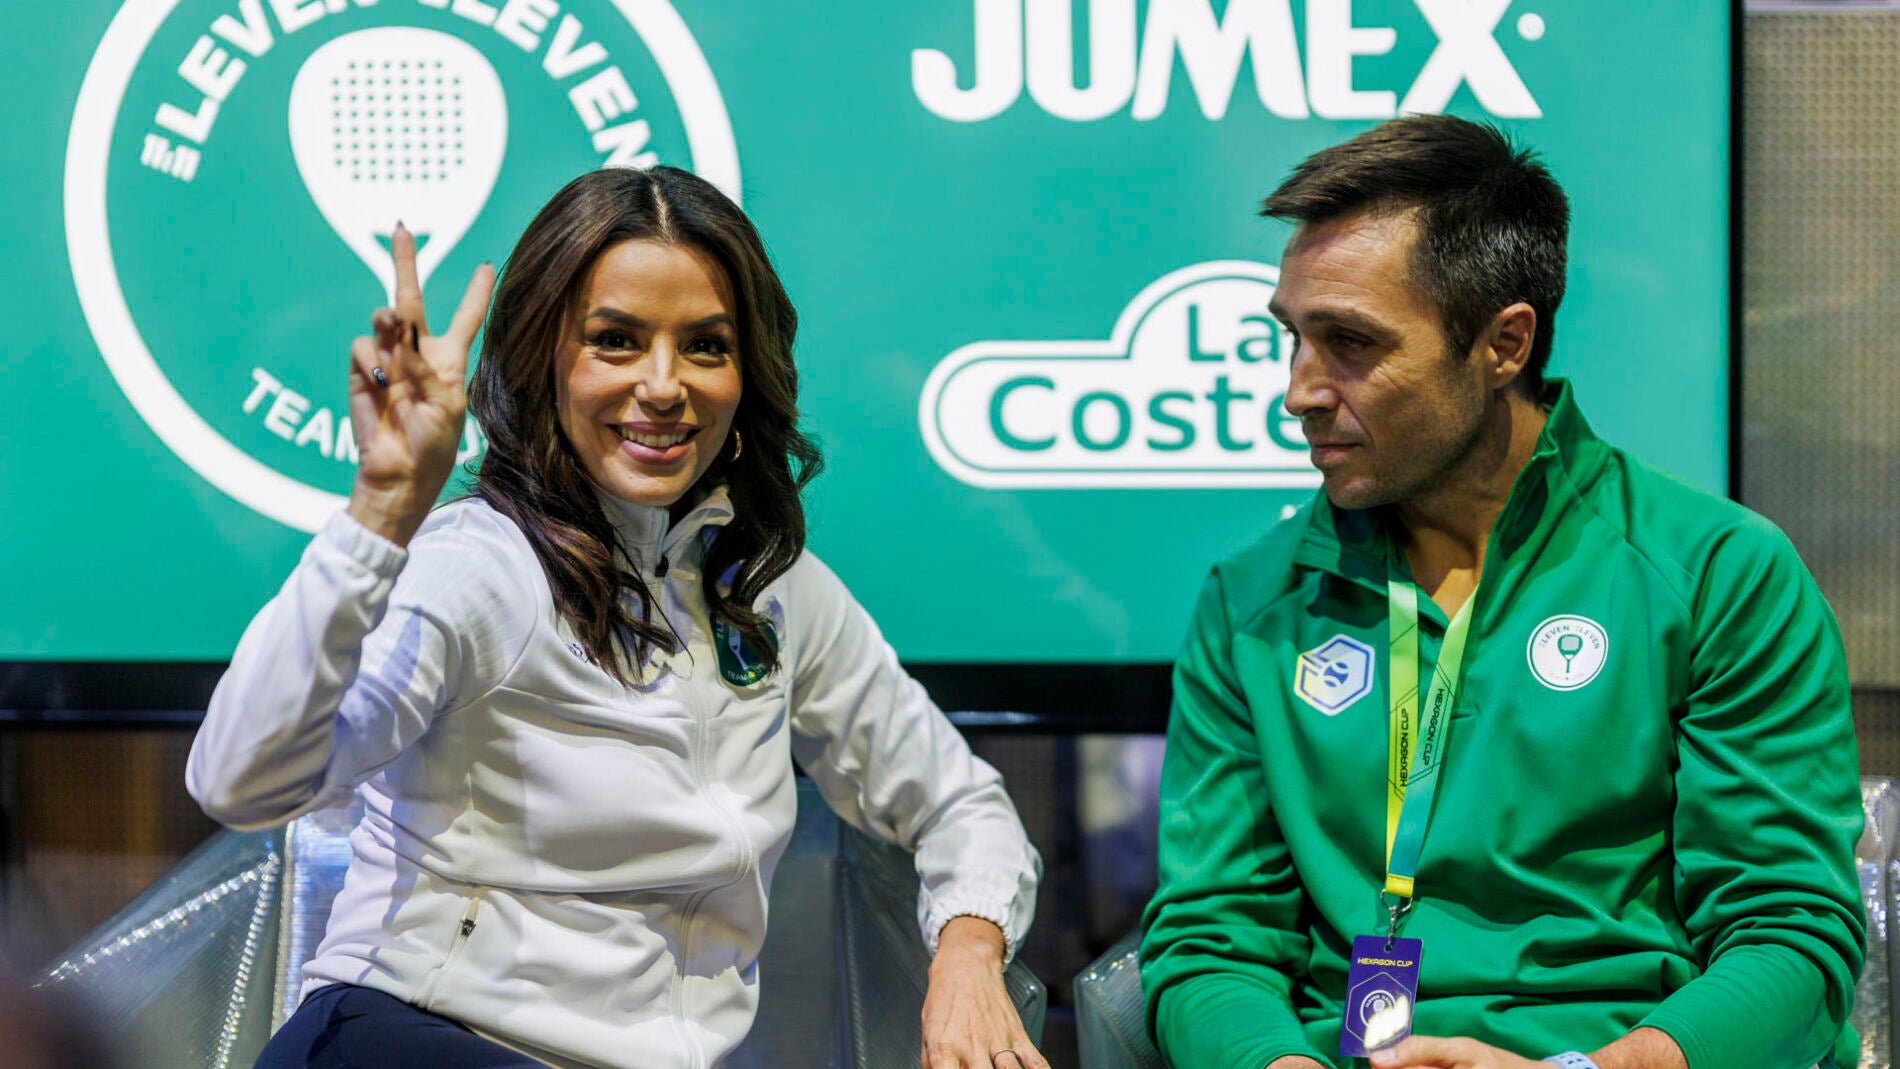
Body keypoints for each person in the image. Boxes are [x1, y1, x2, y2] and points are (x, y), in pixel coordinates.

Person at [187, 166, 1048, 1069]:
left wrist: (967, 953)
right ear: (543, 360)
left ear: (748, 373)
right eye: (617, 340)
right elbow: (241, 781)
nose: (665, 384)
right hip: (415, 1035)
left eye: (707, 346)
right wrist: (380, 514)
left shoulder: (774, 587)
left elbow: (962, 801)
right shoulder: (477, 566)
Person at [1139, 115, 1864, 1069]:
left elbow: (1790, 932)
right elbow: (1206, 938)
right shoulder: (1251, 601)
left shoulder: (1718, 570)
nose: (1300, 391)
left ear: (1503, 343)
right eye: (1294, 339)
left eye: (1350, 344)